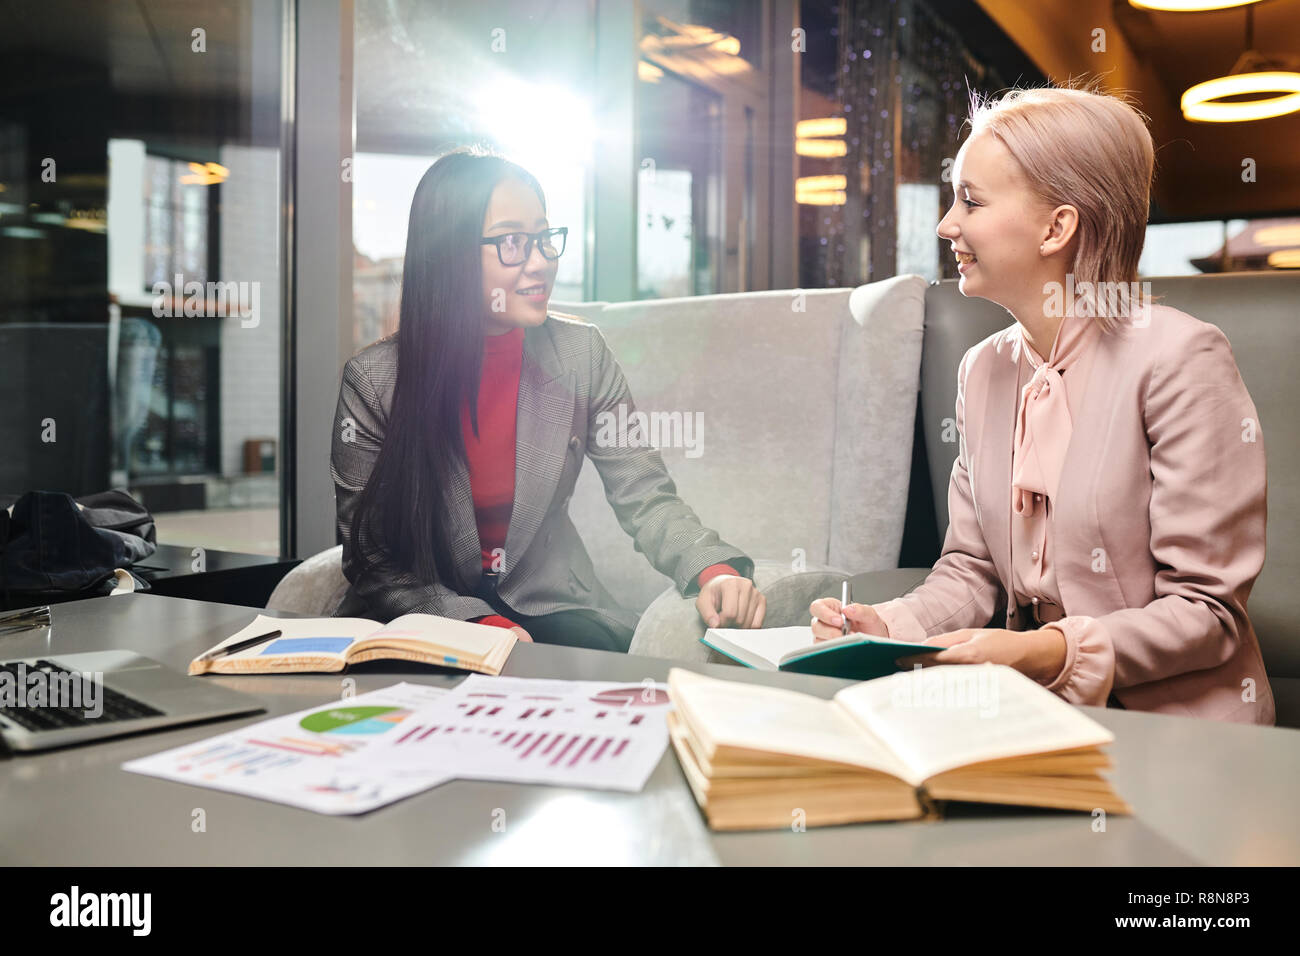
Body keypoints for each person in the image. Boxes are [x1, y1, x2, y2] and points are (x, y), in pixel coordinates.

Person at [810, 86, 1274, 724]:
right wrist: (887, 623)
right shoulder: (982, 369)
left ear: (1057, 227)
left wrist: (1042, 652)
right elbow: (971, 569)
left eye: (970, 201)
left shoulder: (1182, 360)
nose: (947, 225)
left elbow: (1208, 613)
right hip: (1031, 711)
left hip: (1176, 728)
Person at [331, 146, 765, 652]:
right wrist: (480, 627)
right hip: (425, 617)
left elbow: (645, 495)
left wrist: (710, 569)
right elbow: (371, 557)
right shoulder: (373, 380)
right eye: (513, 242)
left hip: (550, 611)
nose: (540, 263)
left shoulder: (582, 355)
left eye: (544, 238)